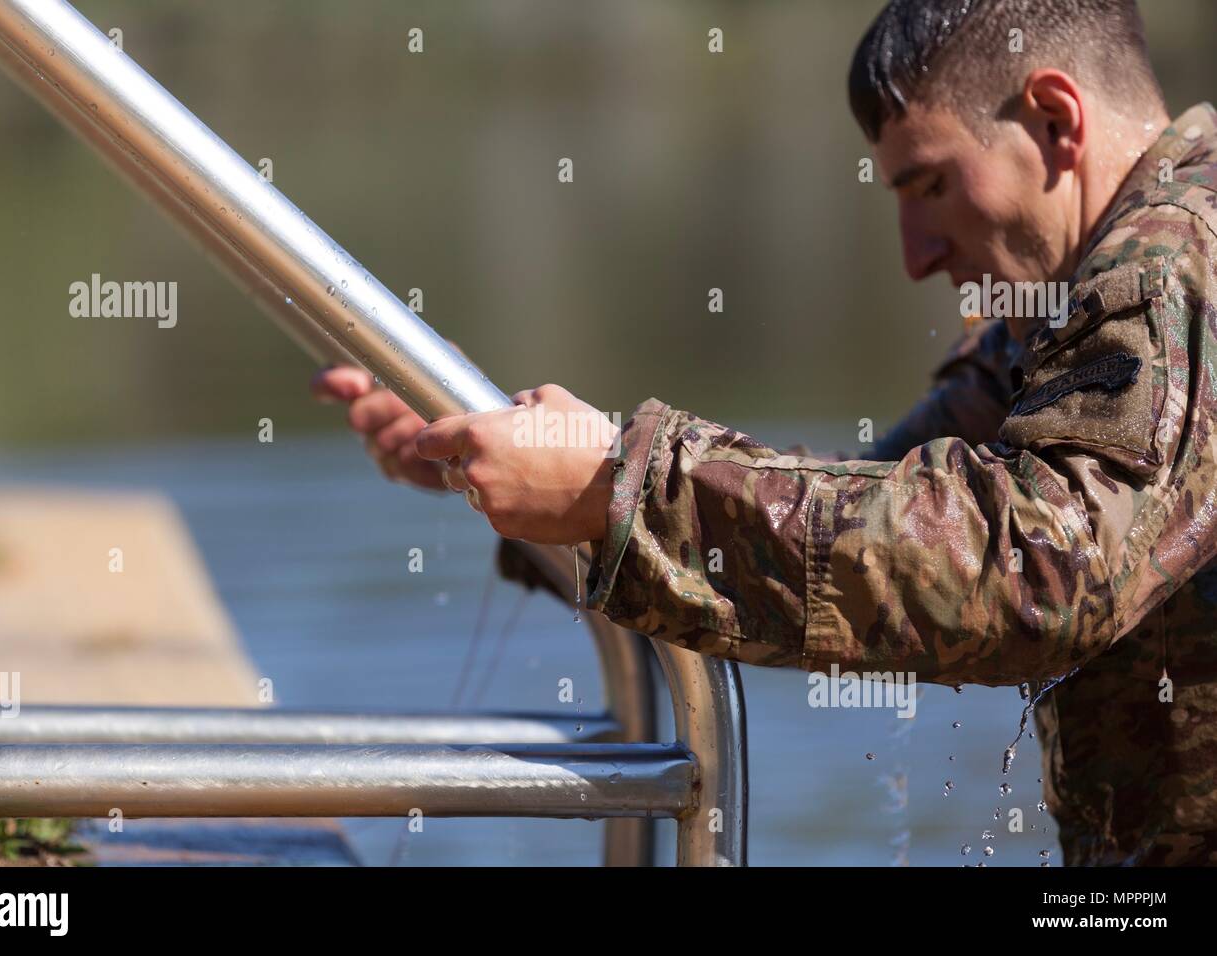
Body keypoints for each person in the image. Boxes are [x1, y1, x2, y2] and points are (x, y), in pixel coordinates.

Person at [312, 0, 1217, 866]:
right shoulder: (1062, 309)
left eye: (930, 184)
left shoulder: (1174, 265)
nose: (916, 256)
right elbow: (864, 515)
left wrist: (618, 483)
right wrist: (517, 462)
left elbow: (1034, 570)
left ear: (1057, 121)